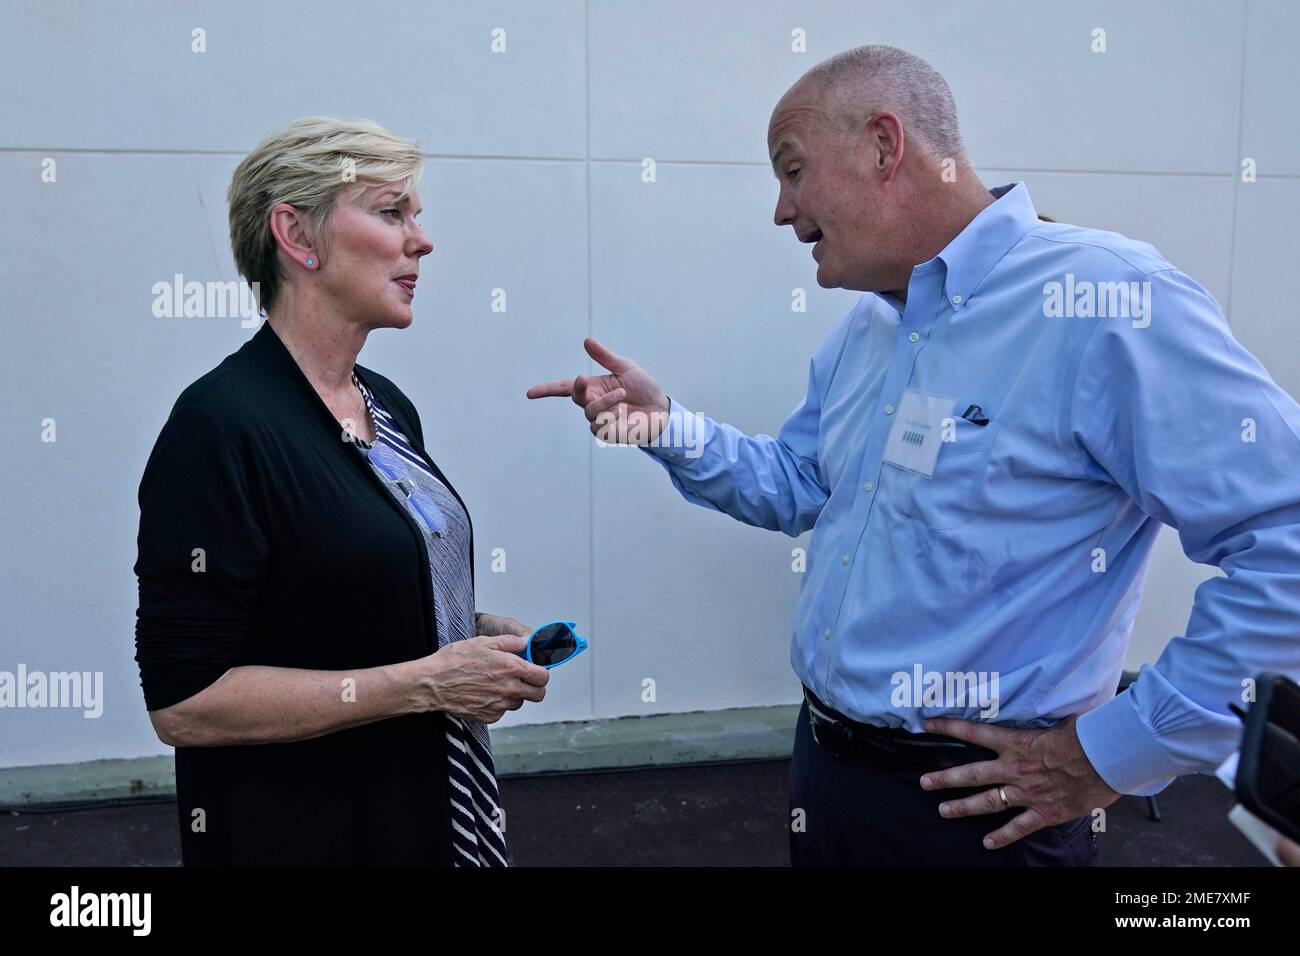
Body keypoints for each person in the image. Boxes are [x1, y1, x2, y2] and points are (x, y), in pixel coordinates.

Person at [528, 45, 1300, 865]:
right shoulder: (870, 326)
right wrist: (665, 426)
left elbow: (1286, 542)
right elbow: (804, 486)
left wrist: (1115, 753)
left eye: (792, 171)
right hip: (827, 778)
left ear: (883, 147)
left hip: (984, 817)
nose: (782, 212)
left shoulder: (1111, 303)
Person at [133, 116, 550, 866]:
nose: (422, 240)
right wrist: (429, 682)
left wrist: (466, 631)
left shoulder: (385, 404)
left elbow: (334, 594)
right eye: (392, 212)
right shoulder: (219, 425)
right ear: (297, 236)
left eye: (415, 216)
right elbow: (184, 702)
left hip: (430, 822)